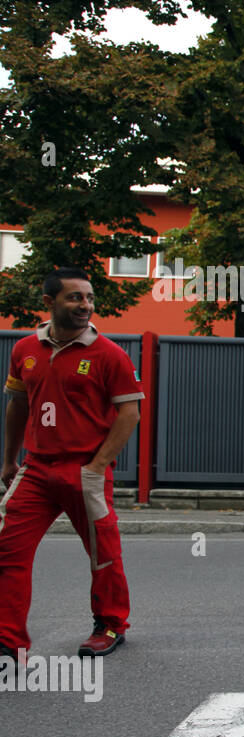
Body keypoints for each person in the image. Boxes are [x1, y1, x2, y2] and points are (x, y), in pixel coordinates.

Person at [0, 267, 144, 659]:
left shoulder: (109, 354)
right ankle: (8, 641)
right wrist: (10, 459)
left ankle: (111, 625)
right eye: (75, 298)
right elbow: (17, 404)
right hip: (35, 467)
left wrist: (97, 467)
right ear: (49, 303)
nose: (85, 306)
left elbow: (129, 414)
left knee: (103, 552)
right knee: (7, 549)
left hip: (85, 469)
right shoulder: (25, 350)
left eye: (89, 298)